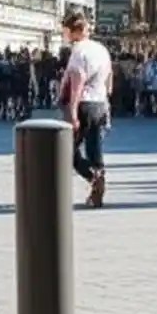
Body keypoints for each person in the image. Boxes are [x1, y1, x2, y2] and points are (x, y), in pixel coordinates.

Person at [61, 12, 112, 208]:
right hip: (100, 103)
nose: (66, 36)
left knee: (66, 149)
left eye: (67, 31)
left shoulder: (78, 52)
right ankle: (98, 177)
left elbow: (77, 82)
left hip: (83, 103)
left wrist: (73, 112)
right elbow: (109, 81)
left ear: (76, 31)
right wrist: (106, 102)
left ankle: (92, 178)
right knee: (94, 146)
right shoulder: (102, 50)